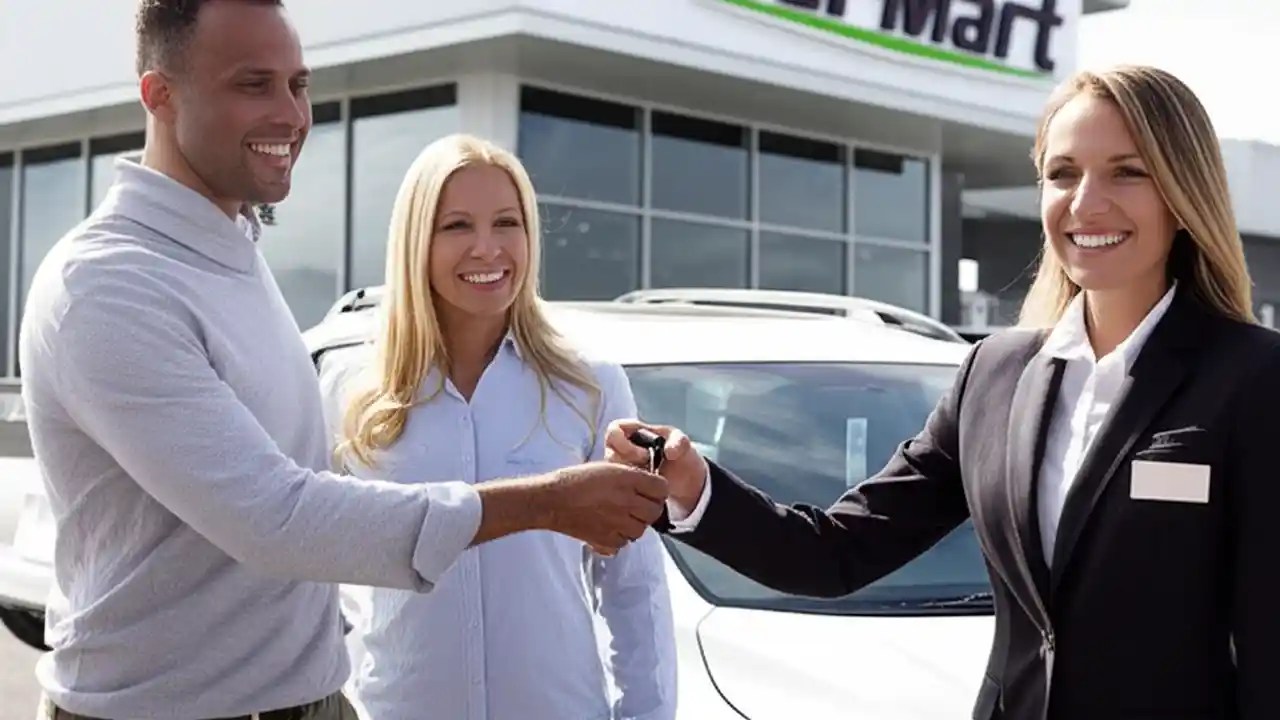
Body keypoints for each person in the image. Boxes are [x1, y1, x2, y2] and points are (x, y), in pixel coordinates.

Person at [18, 2, 665, 719]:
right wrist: (546, 502)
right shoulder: (109, 284)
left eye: (298, 84)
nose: (292, 115)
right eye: (253, 84)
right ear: (159, 94)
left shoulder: (231, 255)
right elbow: (278, 520)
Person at [606, 64, 1279, 720]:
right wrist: (694, 489)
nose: (1085, 202)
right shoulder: (995, 373)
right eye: (1062, 173)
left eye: (1127, 172)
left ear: (1183, 194)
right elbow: (838, 552)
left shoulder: (1253, 378)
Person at [315, 133, 677, 720]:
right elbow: (310, 565)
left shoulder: (591, 387)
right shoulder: (349, 393)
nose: (487, 249)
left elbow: (634, 587)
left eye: (507, 223)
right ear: (416, 242)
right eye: (457, 226)